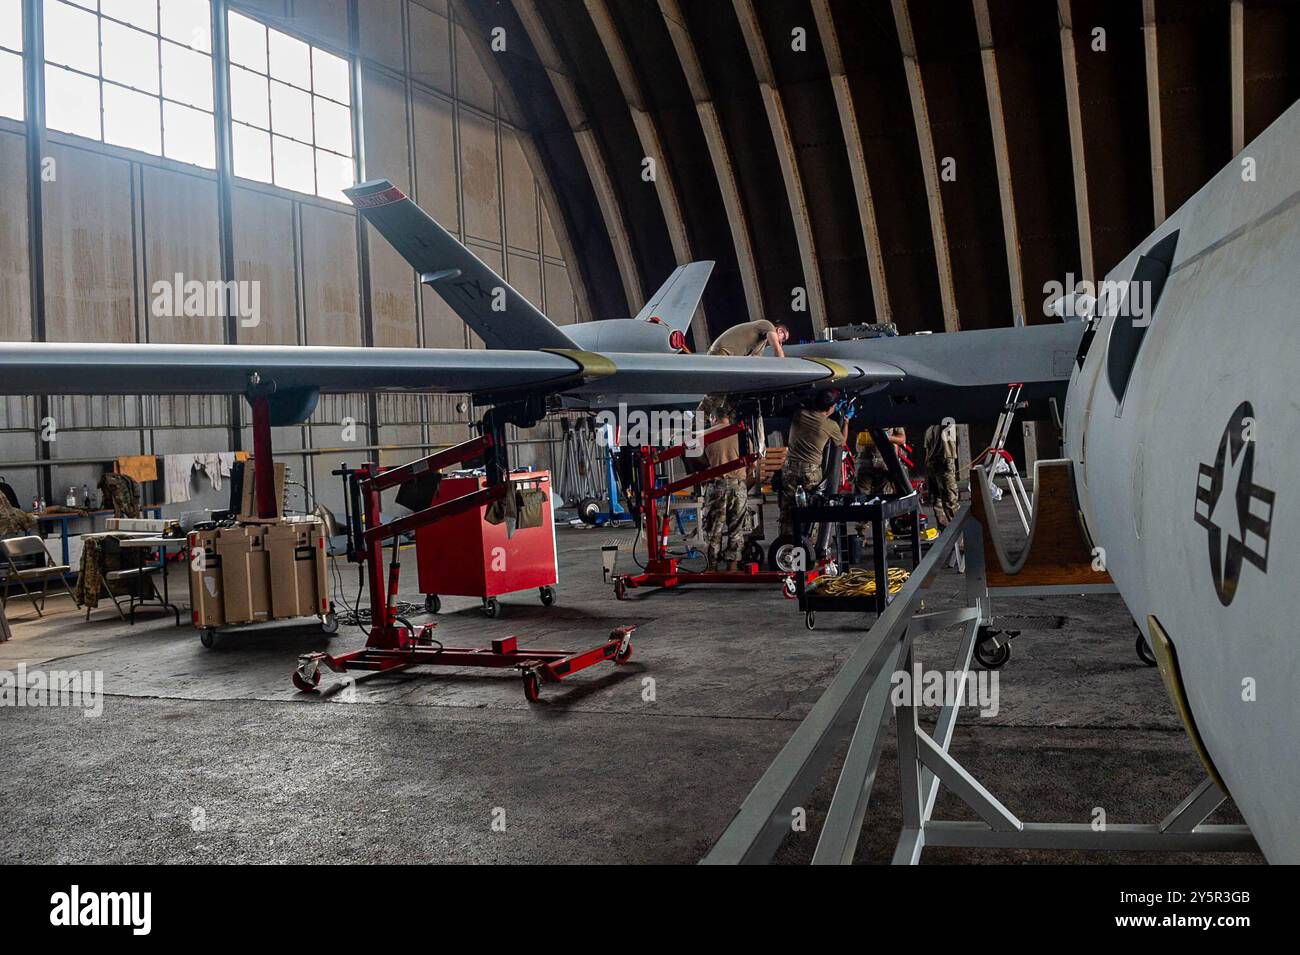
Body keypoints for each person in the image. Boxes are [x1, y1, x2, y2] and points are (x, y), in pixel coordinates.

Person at [776, 390, 849, 536]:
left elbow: (802, 405)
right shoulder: (831, 425)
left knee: (787, 510)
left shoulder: (800, 414)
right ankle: (808, 545)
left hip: (790, 468)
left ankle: (786, 546)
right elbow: (842, 442)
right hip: (811, 471)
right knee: (812, 510)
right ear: (829, 408)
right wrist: (846, 421)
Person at [700, 414, 754, 571]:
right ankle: (733, 566)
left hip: (716, 486)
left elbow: (698, 466)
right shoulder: (741, 433)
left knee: (713, 529)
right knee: (736, 528)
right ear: (728, 418)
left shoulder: (706, 434)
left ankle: (712, 567)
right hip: (738, 487)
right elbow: (753, 464)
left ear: (713, 417)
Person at [923, 422, 960, 531]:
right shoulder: (933, 427)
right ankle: (951, 536)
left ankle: (953, 537)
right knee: (943, 502)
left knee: (945, 501)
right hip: (938, 464)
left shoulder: (938, 425)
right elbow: (928, 450)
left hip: (939, 463)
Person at [708, 319, 790, 358]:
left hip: (727, 357)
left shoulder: (761, 343)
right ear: (780, 331)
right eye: (783, 339)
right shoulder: (767, 325)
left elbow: (755, 358)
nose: (781, 343)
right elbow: (776, 347)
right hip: (722, 353)